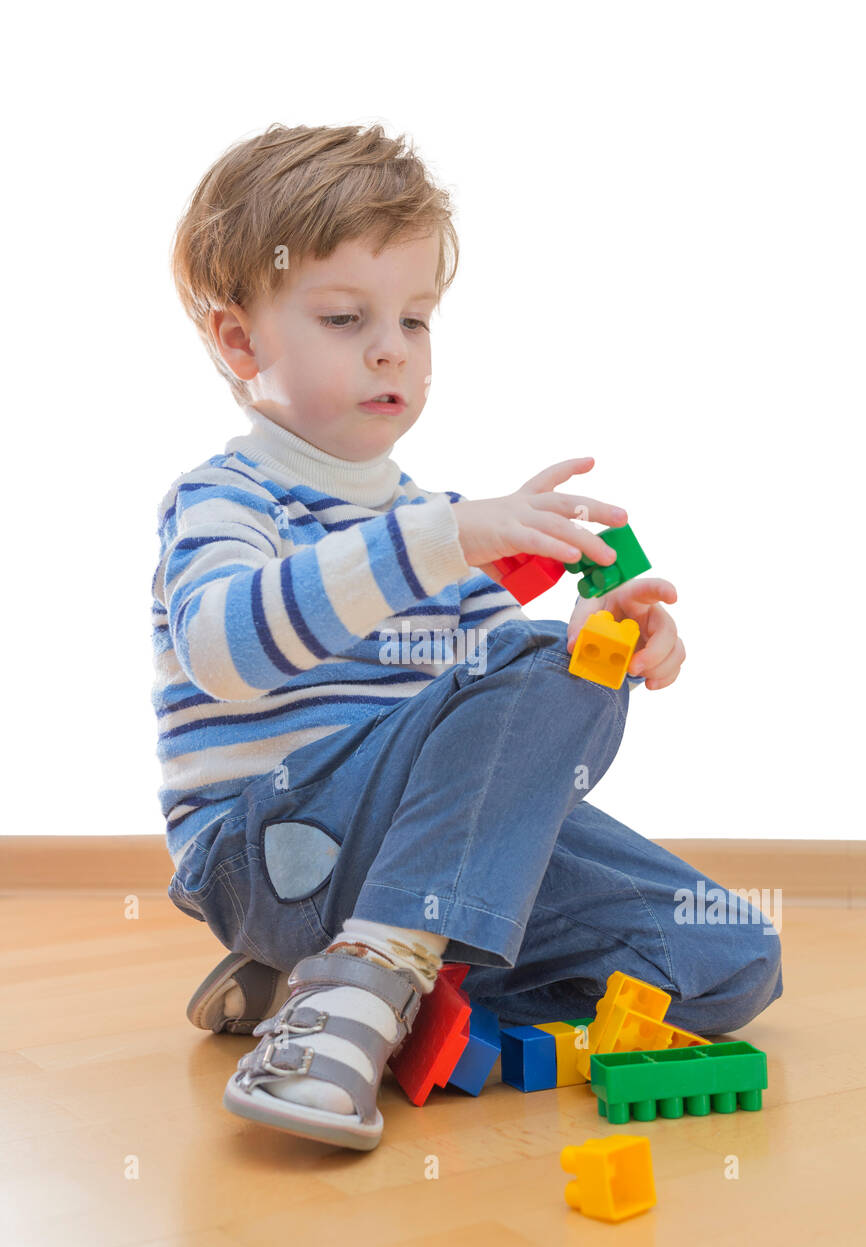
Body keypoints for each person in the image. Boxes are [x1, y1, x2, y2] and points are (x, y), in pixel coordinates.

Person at [154, 121, 781, 1150]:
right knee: (523, 661)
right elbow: (225, 650)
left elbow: (508, 729)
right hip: (267, 850)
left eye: (415, 317)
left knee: (730, 956)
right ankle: (358, 980)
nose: (391, 345)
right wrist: (443, 540)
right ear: (238, 341)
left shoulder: (436, 531)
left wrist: (604, 641)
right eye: (346, 316)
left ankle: (362, 982)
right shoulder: (226, 499)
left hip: (419, 868)